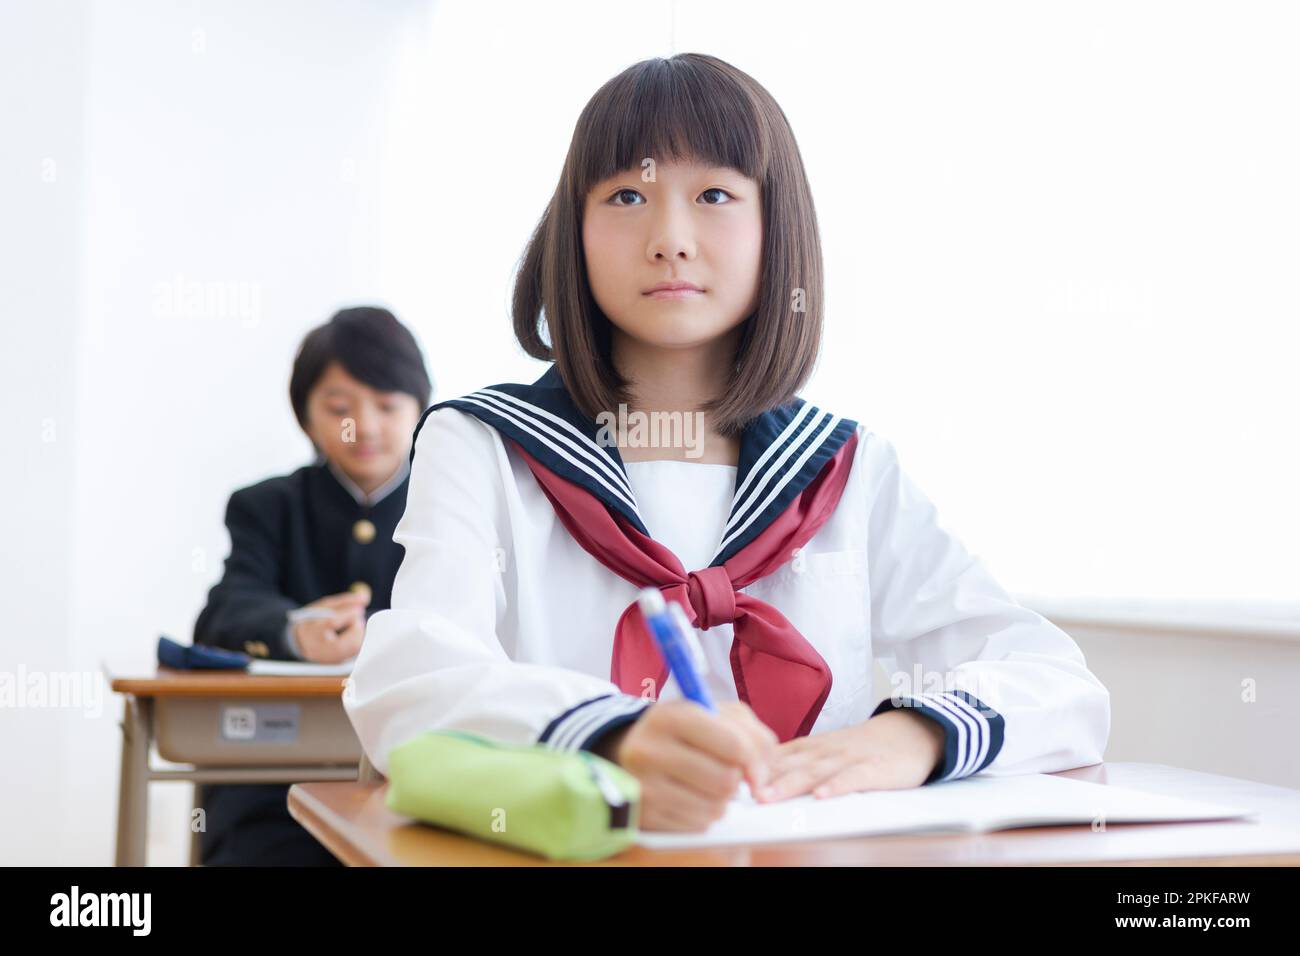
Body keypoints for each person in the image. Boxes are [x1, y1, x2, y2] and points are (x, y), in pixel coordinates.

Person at [343, 54, 1109, 833]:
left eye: (715, 195)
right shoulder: (484, 447)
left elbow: (1057, 681)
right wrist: (615, 733)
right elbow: (410, 679)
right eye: (626, 196)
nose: (670, 238)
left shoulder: (845, 468)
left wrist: (912, 734)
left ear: (778, 227)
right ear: (571, 233)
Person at [194, 306, 430, 863]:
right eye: (339, 408)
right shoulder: (266, 506)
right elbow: (224, 612)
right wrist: (295, 633)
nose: (365, 427)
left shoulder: (449, 510)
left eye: (387, 405)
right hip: (273, 789)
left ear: (420, 410)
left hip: (416, 783)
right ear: (306, 416)